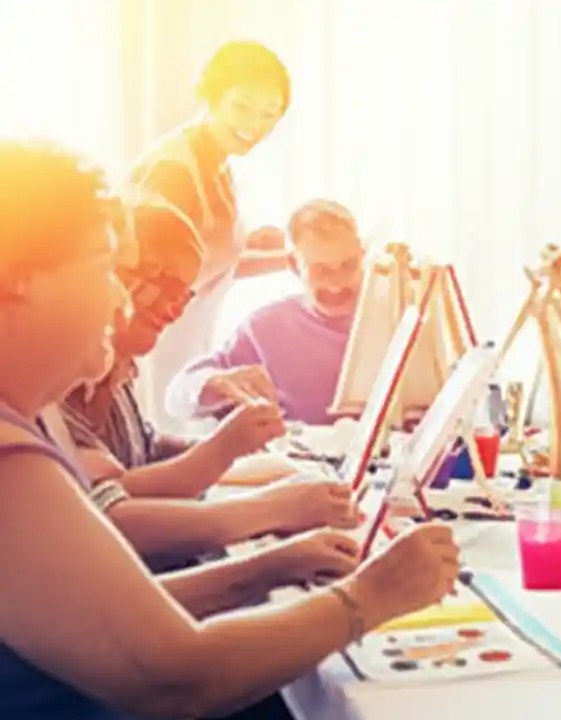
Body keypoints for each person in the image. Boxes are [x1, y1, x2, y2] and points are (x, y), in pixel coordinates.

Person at [0, 140, 460, 719]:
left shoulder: (27, 425)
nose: (120, 297)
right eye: (103, 265)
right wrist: (372, 595)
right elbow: (173, 680)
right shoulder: (11, 465)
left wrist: (268, 567)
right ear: (16, 279)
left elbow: (107, 617)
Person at [56, 202, 352, 569]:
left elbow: (144, 449)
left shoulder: (116, 369)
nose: (175, 311)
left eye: (185, 295)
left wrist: (250, 455)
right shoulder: (58, 387)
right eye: (162, 285)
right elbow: (112, 504)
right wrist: (232, 457)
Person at [129, 40, 295, 433]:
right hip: (154, 351)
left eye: (270, 114)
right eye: (242, 106)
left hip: (186, 347)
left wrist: (293, 256)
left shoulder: (218, 163)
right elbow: (144, 281)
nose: (255, 125)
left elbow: (213, 264)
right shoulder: (173, 170)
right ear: (210, 96)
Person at [167, 199, 365, 425]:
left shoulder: (390, 320)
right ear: (294, 265)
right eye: (321, 270)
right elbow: (177, 394)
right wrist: (213, 384)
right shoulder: (265, 328)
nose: (337, 283)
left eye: (348, 265)